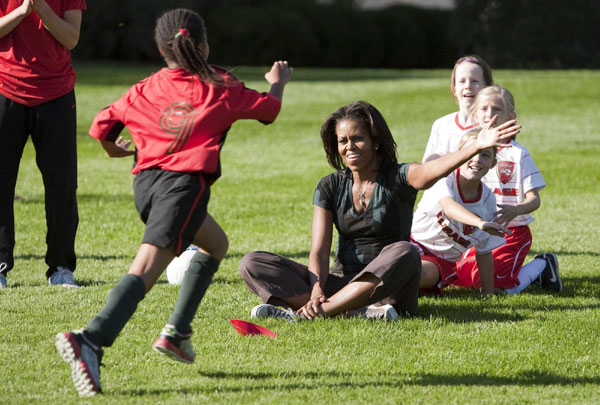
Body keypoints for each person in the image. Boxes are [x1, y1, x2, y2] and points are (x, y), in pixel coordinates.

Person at [55, 8, 293, 396]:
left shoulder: (145, 86)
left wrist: (114, 150)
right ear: (202, 45)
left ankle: (178, 332)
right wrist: (278, 81)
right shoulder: (220, 84)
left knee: (216, 244)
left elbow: (101, 124)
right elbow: (269, 109)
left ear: (162, 50)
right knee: (146, 268)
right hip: (183, 189)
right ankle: (91, 340)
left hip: (147, 188)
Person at [239, 101, 520, 322]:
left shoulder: (399, 176)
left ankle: (322, 312)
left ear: (375, 140)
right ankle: (349, 310)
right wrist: (317, 289)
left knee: (406, 252)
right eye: (343, 141)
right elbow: (319, 252)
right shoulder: (329, 185)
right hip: (342, 280)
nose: (349, 147)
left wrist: (474, 147)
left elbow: (430, 173)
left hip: (390, 288)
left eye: (357, 138)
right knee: (253, 263)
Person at [0, 0, 87, 289]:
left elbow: (71, 38)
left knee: (62, 185)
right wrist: (22, 10)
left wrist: (41, 8)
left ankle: (61, 268)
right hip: (5, 89)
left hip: (57, 93)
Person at [453, 85, 561, 294]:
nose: (489, 115)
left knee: (496, 287)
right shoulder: (467, 150)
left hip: (511, 232)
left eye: (497, 109)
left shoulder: (518, 154)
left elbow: (534, 200)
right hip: (478, 230)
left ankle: (542, 266)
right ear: (474, 115)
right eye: (483, 109)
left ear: (511, 116)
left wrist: (515, 210)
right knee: (460, 278)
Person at [411, 130, 509, 296]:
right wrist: (479, 223)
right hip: (409, 241)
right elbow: (449, 207)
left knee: (416, 274)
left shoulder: (488, 201)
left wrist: (488, 292)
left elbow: (484, 251)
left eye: (485, 155)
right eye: (473, 152)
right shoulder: (443, 177)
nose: (477, 159)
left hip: (439, 261)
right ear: (460, 155)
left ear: (493, 163)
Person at [422, 55, 493, 163]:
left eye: (474, 81)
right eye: (462, 81)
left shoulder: (490, 129)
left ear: (487, 88)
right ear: (454, 88)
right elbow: (426, 168)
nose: (468, 86)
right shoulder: (440, 126)